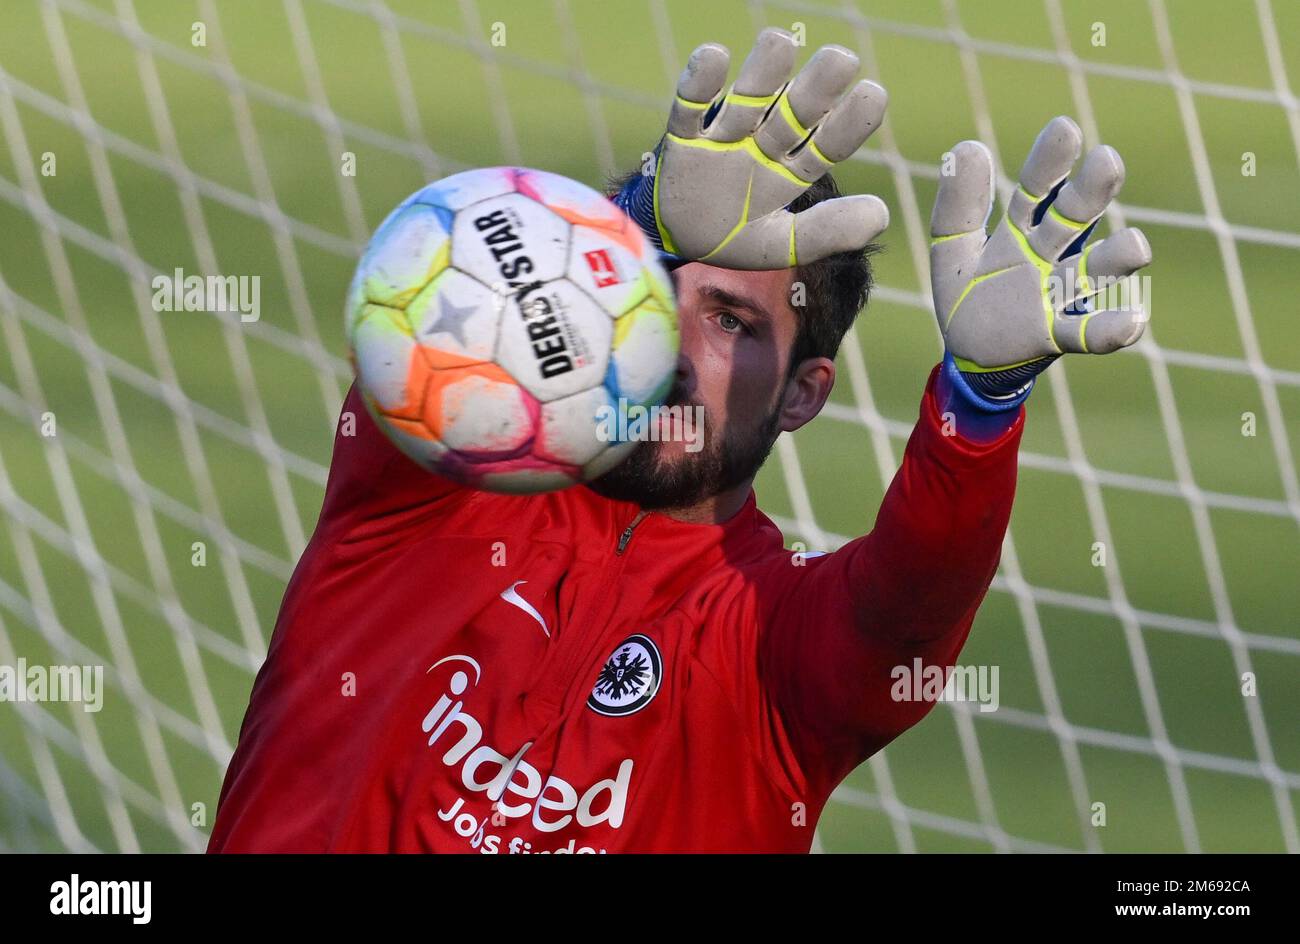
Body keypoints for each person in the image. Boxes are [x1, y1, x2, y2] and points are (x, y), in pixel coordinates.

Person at [208, 28, 1151, 853]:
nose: (667, 344)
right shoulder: (435, 492)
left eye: (732, 321)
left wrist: (979, 403)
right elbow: (437, 318)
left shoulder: (778, 647)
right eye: (649, 291)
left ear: (802, 397)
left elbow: (915, 592)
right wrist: (636, 228)